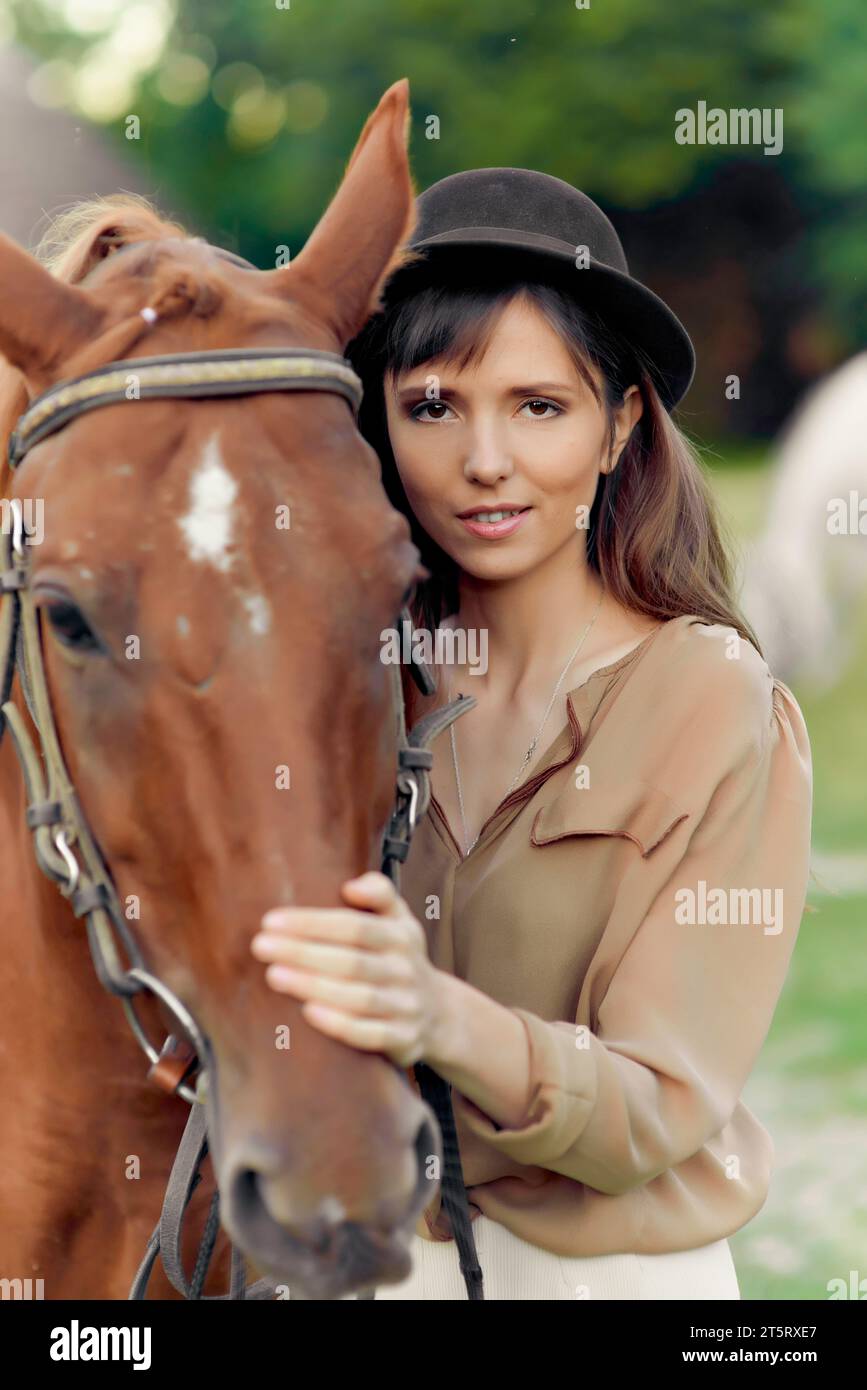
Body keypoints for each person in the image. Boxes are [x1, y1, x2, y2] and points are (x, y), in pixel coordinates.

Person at [250, 169, 813, 1300]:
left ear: (620, 427)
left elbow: (654, 1110)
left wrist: (435, 1015)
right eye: (433, 407)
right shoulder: (339, 683)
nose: (486, 461)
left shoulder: (713, 701)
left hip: (599, 1280)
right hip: (350, 1263)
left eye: (539, 406)